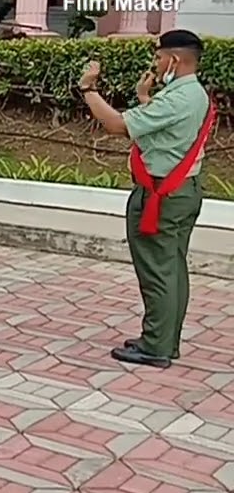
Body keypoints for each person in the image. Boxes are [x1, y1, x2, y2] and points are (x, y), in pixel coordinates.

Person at [78, 29, 215, 369]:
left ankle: (156, 346)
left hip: (161, 195)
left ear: (175, 59)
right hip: (181, 191)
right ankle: (166, 340)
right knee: (172, 268)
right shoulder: (192, 93)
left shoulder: (178, 97)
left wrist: (88, 89)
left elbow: (116, 125)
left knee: (157, 272)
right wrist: (143, 96)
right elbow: (164, 130)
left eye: (158, 57)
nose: (156, 63)